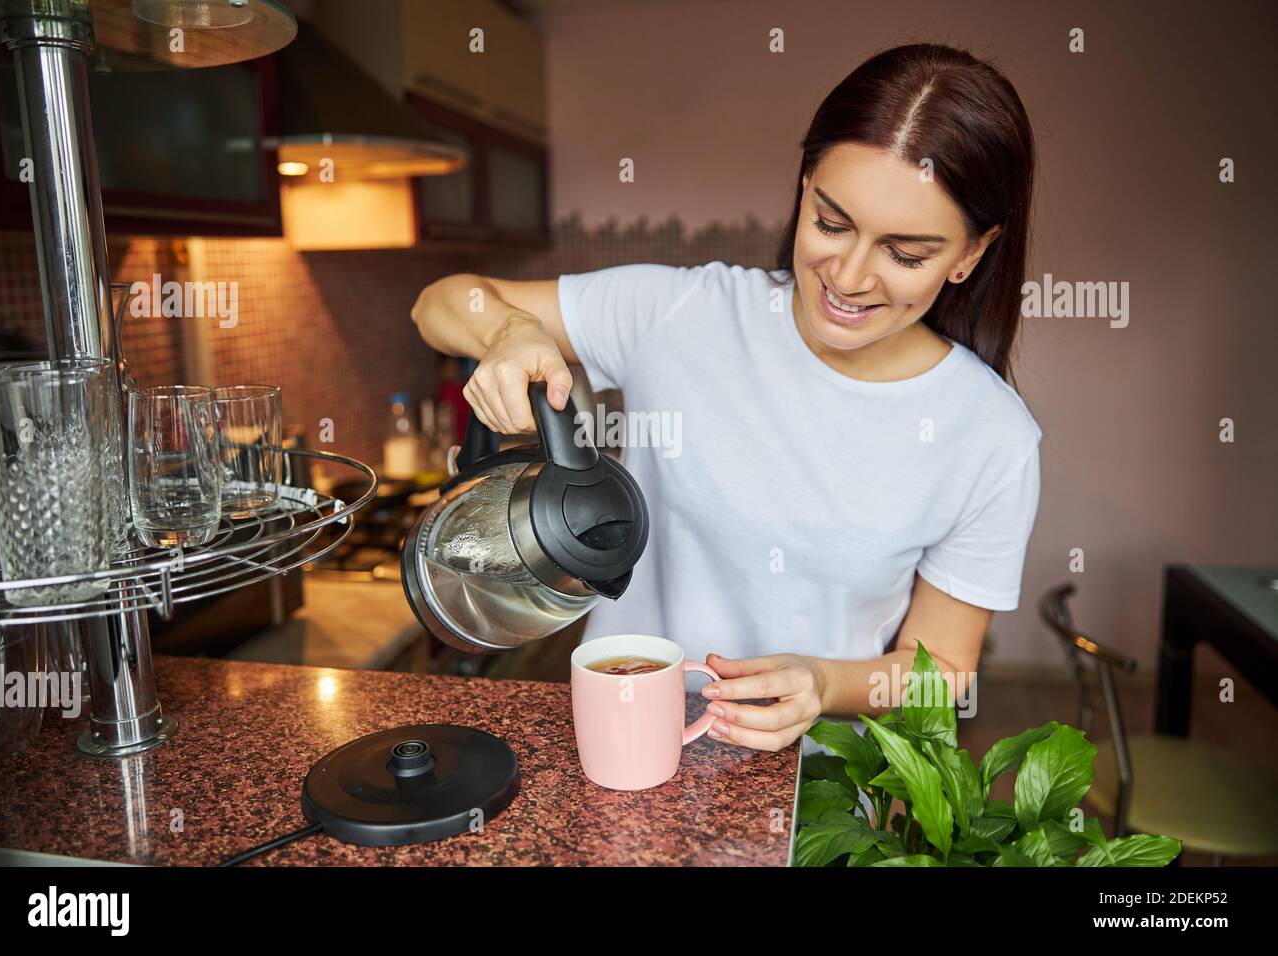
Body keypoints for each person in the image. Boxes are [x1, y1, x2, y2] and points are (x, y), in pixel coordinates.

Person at [411, 43, 1042, 753]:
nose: (851, 276)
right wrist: (513, 329)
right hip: (625, 754)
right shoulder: (682, 313)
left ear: (971, 253)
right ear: (804, 186)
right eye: (832, 223)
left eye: (905, 253)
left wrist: (825, 685)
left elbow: (942, 673)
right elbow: (441, 304)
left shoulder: (990, 436)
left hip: (819, 800)